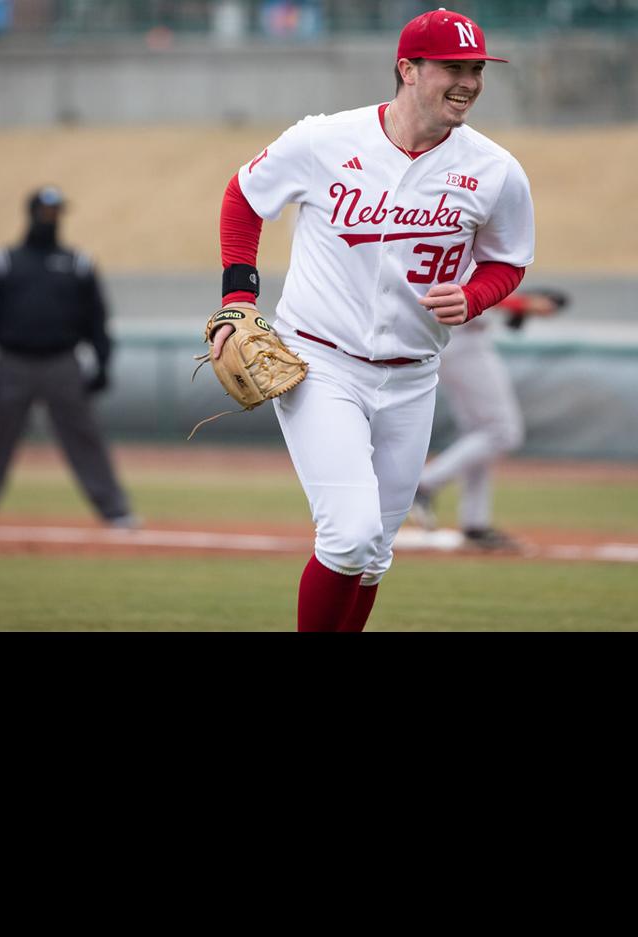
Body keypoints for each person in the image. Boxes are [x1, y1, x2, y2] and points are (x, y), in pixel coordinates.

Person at [207, 7, 535, 631]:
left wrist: (475, 296)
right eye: (452, 68)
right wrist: (239, 298)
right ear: (407, 69)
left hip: (413, 377)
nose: (468, 81)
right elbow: (244, 198)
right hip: (319, 363)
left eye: (475, 68)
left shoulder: (495, 171)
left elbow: (508, 261)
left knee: (375, 556)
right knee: (349, 537)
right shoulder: (326, 140)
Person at [0, 186, 137, 529]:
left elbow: (97, 320)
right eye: (46, 213)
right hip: (12, 363)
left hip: (62, 363)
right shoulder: (3, 263)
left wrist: (102, 363)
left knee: (85, 439)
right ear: (32, 213)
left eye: (56, 214)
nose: (50, 220)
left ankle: (115, 511)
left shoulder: (78, 264)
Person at [408, 287, 568, 551]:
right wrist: (523, 304)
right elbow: (477, 287)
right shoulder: (461, 248)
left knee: (480, 434)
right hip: (464, 340)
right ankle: (425, 484)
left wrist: (520, 305)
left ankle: (475, 523)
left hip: (456, 339)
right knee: (502, 431)